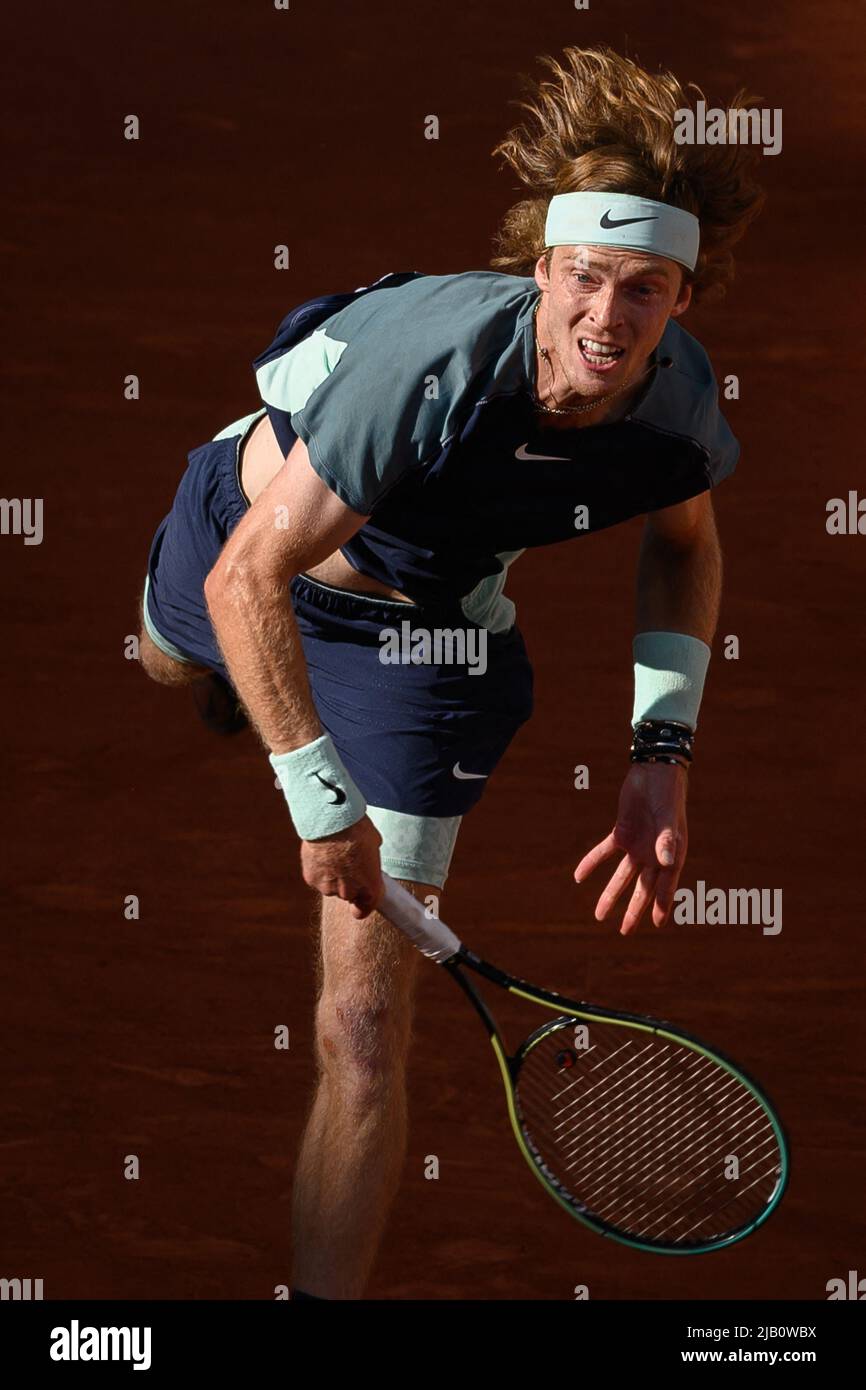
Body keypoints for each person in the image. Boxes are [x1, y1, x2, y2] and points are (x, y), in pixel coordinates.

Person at [137, 45, 765, 1299]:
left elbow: (681, 547)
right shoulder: (429, 371)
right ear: (539, 268)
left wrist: (659, 758)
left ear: (683, 298)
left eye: (644, 288)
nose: (606, 316)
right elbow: (239, 584)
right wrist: (320, 803)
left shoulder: (676, 411)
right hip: (247, 544)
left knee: (361, 1026)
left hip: (416, 645)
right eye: (585, 276)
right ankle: (243, 691)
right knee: (165, 658)